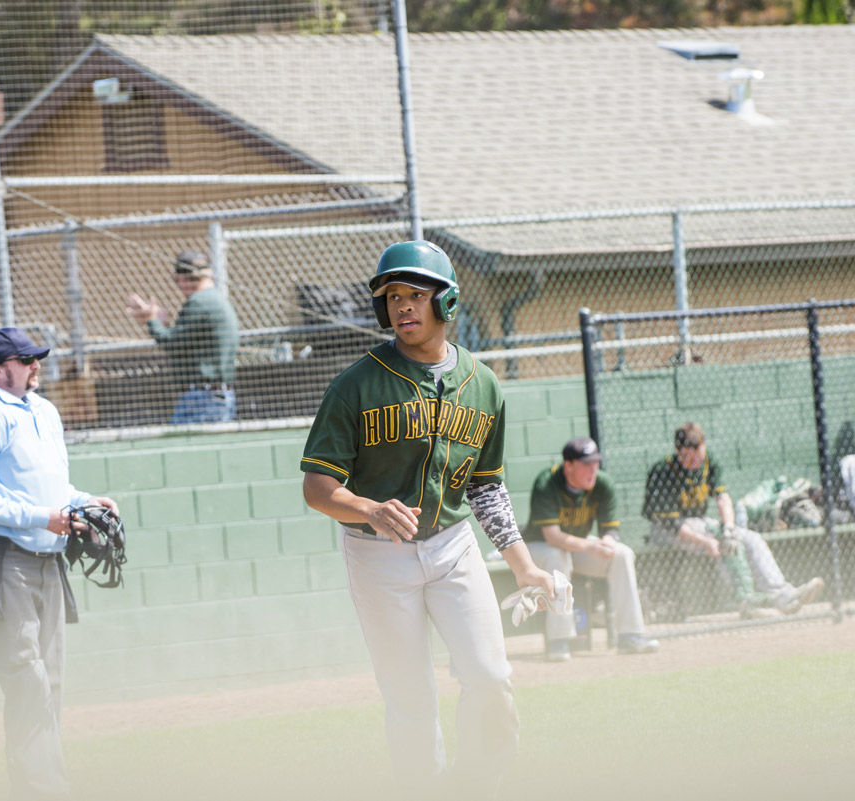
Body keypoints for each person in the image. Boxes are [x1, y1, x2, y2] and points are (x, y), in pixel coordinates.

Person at [300, 240, 555, 797]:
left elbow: (486, 487)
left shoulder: (483, 384)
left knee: (490, 678)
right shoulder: (355, 385)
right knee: (410, 700)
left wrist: (526, 567)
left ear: (448, 302)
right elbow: (317, 488)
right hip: (376, 555)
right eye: (392, 296)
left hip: (454, 547)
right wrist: (368, 507)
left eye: (416, 294)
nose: (402, 306)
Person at [0, 327, 118, 800]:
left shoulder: (44, 410)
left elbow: (52, 488)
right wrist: (43, 517)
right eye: (25, 359)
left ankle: (40, 786)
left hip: (48, 562)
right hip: (2, 560)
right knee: (28, 684)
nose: (36, 364)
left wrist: (85, 502)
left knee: (51, 683)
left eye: (36, 357)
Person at [643, 422, 825, 619]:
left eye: (698, 455)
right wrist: (708, 542)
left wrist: (729, 528)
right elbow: (673, 525)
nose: (695, 462)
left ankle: (783, 594)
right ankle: (748, 602)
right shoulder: (662, 471)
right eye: (688, 457)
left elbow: (722, 498)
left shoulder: (708, 461)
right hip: (666, 530)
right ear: (678, 452)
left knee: (750, 538)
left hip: (700, 523)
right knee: (720, 539)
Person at [522, 437, 660, 662]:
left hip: (575, 546)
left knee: (622, 554)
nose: (593, 469)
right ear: (569, 466)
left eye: (595, 462)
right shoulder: (547, 482)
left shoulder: (602, 483)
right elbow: (553, 537)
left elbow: (610, 530)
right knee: (558, 555)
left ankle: (630, 636)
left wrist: (607, 543)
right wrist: (591, 546)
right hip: (537, 551)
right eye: (586, 464)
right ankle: (559, 640)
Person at [124, 250, 239, 423]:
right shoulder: (214, 299)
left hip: (204, 398)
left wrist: (152, 321)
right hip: (212, 396)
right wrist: (159, 324)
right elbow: (185, 341)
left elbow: (172, 343)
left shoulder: (199, 303)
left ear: (183, 279)